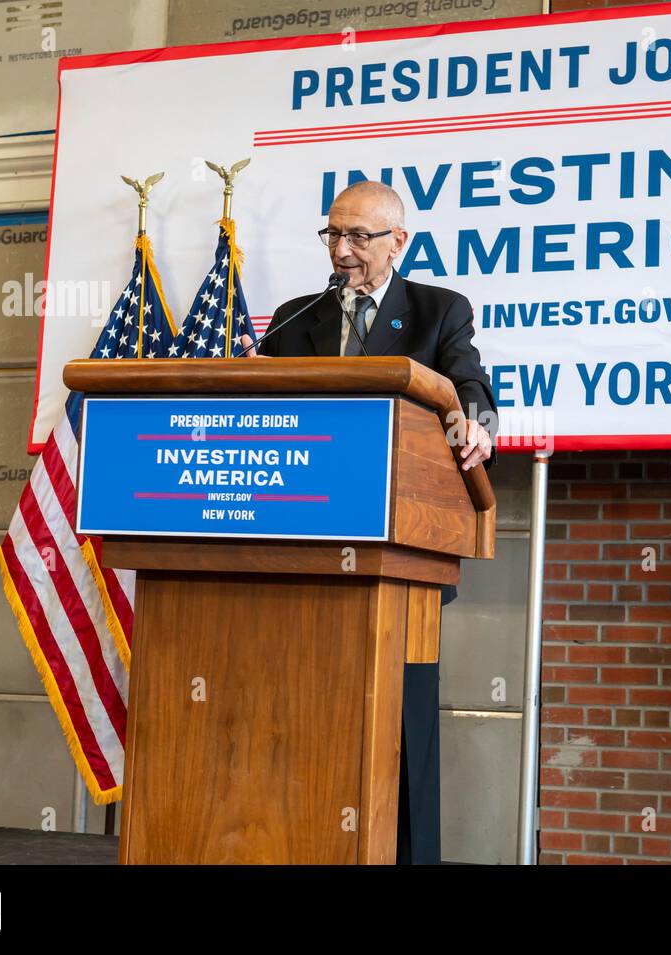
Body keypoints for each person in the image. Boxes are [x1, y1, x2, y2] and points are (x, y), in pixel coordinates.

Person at [250, 180, 497, 864]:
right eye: (333, 234)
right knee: (298, 719)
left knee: (398, 726)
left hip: (400, 557)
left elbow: (466, 384)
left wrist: (475, 426)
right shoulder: (293, 317)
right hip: (298, 556)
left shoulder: (438, 310)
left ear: (398, 242)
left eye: (359, 236)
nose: (342, 250)